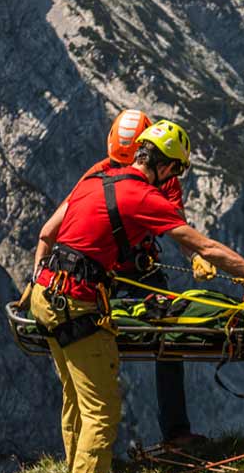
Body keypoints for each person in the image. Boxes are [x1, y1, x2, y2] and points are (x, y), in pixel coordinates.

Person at [31, 120, 244, 473]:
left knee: (75, 403)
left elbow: (50, 232)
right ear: (165, 167)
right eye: (176, 171)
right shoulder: (143, 195)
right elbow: (208, 248)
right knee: (101, 411)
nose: (174, 179)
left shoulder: (98, 177)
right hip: (78, 305)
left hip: (46, 295)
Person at [83, 109, 204, 446]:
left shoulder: (166, 178)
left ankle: (176, 431)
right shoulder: (100, 172)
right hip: (103, 272)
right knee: (98, 347)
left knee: (168, 340)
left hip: (140, 268)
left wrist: (194, 256)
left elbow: (178, 228)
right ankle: (97, 440)